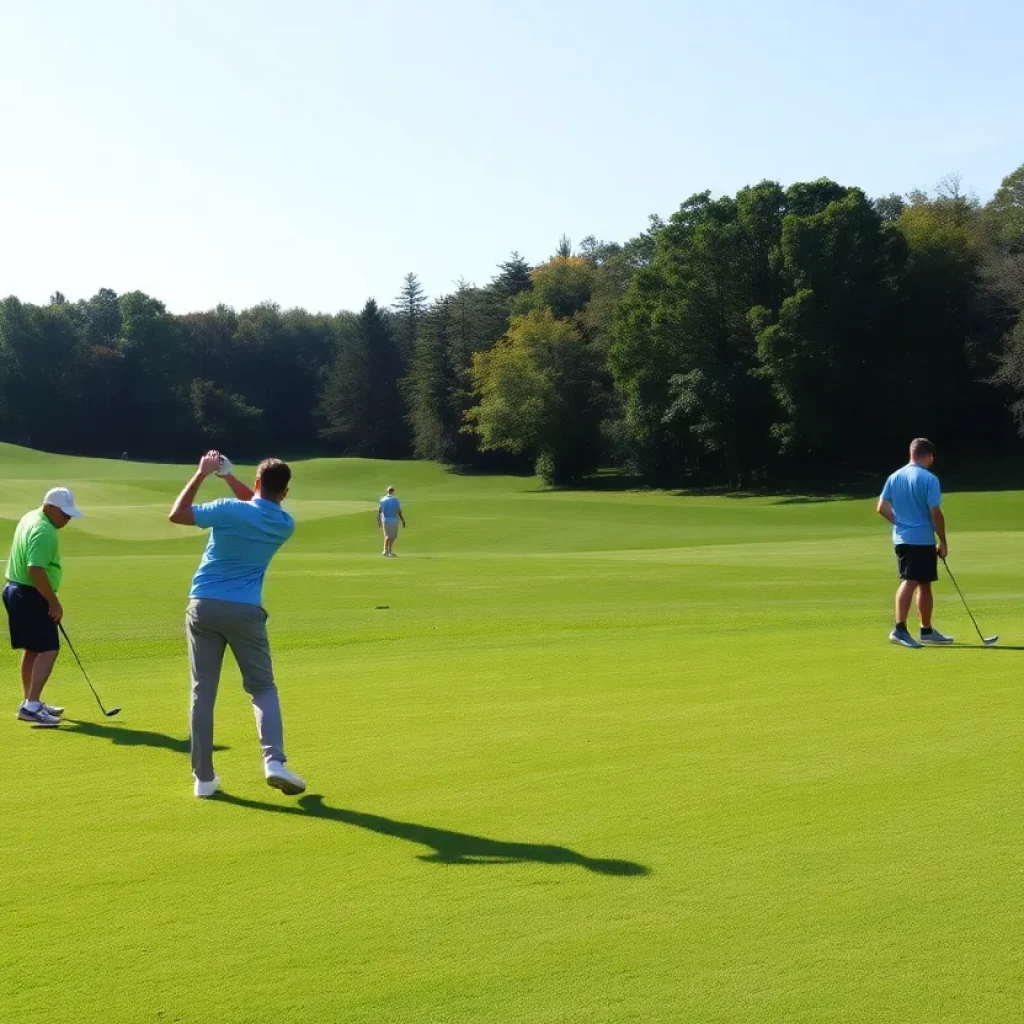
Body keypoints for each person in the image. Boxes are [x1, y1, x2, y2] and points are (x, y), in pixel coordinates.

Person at [168, 451, 306, 798]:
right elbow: (259, 504)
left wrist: (203, 474)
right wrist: (229, 476)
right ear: (285, 492)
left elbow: (178, 514)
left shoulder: (228, 509)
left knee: (202, 693)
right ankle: (274, 762)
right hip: (246, 610)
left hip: (204, 605)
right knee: (262, 688)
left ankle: (203, 780)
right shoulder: (284, 523)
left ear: (257, 482)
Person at [3, 488, 83, 727]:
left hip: (16, 590)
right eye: (64, 514)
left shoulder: (31, 517)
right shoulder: (44, 530)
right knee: (49, 649)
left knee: (33, 649)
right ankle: (31, 706)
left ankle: (30, 701)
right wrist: (53, 602)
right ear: (49, 507)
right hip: (30, 594)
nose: (67, 519)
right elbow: (35, 569)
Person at [877, 438, 953, 649]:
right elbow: (935, 511)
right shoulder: (929, 479)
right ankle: (899, 629)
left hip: (905, 538)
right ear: (929, 456)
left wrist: (900, 523)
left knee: (924, 583)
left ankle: (926, 630)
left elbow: (882, 507)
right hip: (919, 539)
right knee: (910, 580)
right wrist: (943, 539)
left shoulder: (895, 476)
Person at [377, 485, 406, 558]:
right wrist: (402, 520)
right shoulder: (395, 500)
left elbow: (379, 511)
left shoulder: (383, 499)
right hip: (392, 520)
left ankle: (388, 551)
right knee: (390, 536)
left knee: (390, 536)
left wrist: (379, 520)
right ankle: (386, 550)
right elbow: (399, 511)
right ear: (392, 492)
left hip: (387, 520)